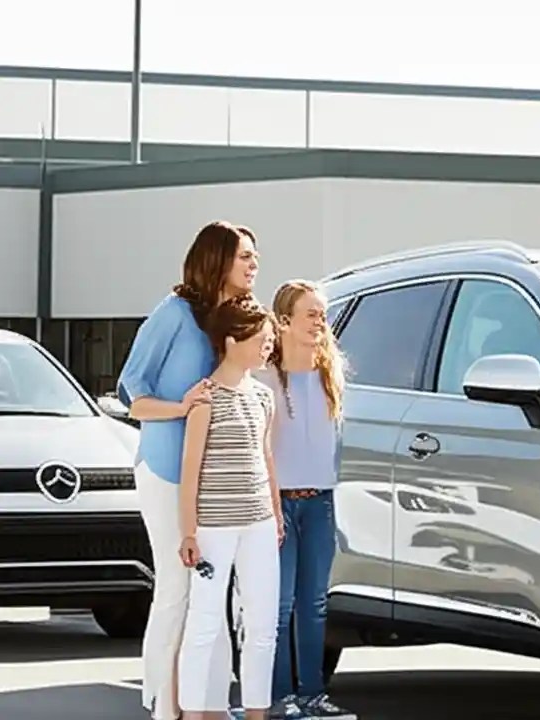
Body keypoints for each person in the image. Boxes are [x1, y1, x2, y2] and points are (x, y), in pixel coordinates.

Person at [117, 220, 261, 720]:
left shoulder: (230, 317)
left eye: (253, 256)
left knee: (212, 595)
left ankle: (204, 701)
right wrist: (182, 407)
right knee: (176, 587)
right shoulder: (173, 313)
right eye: (244, 255)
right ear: (216, 258)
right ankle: (162, 704)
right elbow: (132, 395)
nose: (253, 264)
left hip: (214, 476)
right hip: (165, 471)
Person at [176, 294, 284, 720]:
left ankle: (257, 712)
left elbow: (266, 457)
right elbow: (191, 470)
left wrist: (275, 513)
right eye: (263, 338)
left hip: (258, 525)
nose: (268, 347)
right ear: (232, 340)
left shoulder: (262, 397)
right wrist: (188, 531)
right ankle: (194, 712)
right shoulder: (205, 398)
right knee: (204, 623)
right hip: (213, 530)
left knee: (262, 626)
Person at [258, 280, 354, 720]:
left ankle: (313, 693)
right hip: (277, 503)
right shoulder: (264, 381)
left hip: (320, 503)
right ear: (284, 322)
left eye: (323, 313)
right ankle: (280, 699)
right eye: (310, 313)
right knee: (279, 606)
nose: (320, 321)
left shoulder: (329, 377)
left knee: (314, 604)